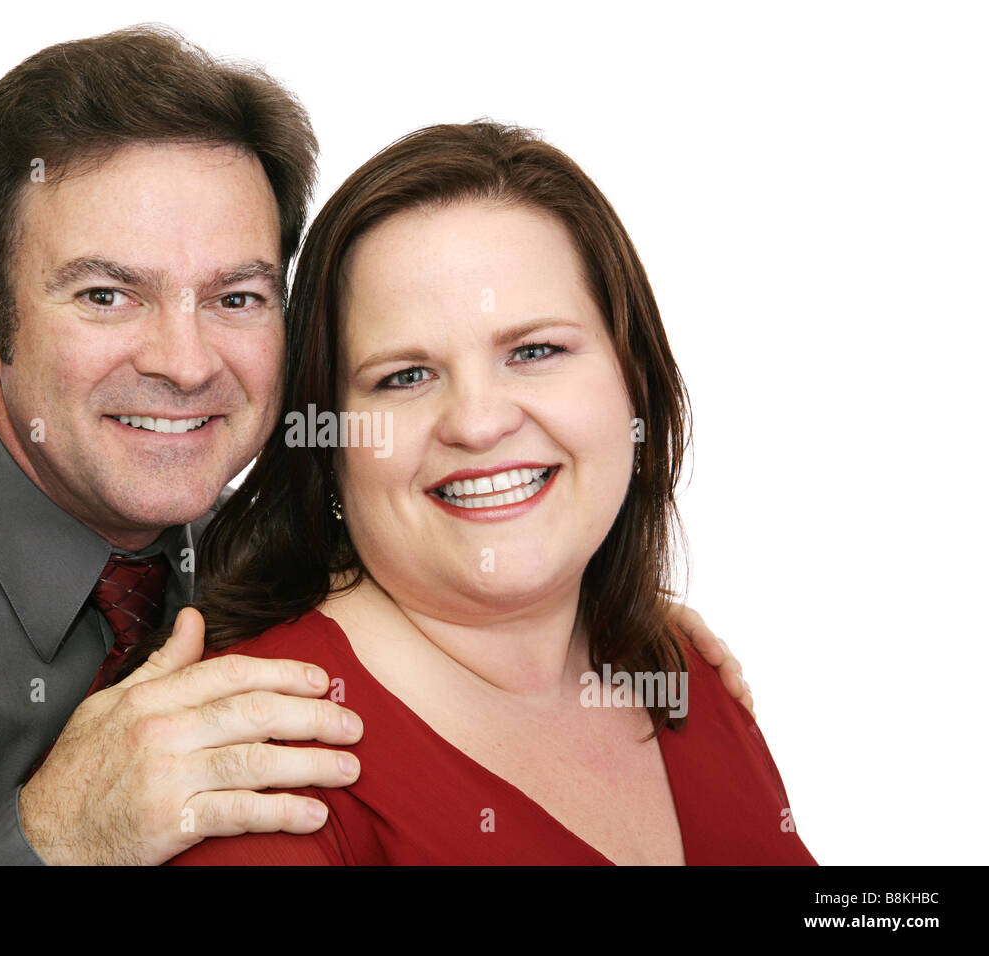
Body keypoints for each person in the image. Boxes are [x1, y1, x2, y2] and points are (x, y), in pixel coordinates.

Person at [0, 29, 752, 866]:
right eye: (107, 293)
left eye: (236, 295)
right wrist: (47, 841)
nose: (186, 362)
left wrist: (552, 607)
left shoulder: (252, 528)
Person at [161, 122, 813, 865]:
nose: (477, 423)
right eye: (404, 376)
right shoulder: (261, 764)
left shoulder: (687, 676)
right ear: (327, 441)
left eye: (535, 351)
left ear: (634, 382)